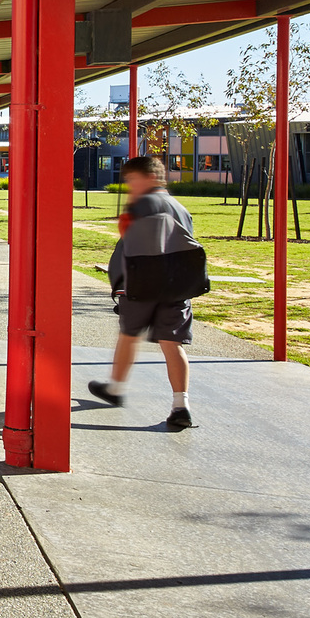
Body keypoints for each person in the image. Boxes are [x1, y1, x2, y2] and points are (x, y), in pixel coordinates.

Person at [89, 155, 196, 430]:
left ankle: (115, 388)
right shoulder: (181, 208)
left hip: (141, 286)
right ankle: (180, 404)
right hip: (176, 288)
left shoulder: (142, 204)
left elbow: (128, 235)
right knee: (173, 345)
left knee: (128, 335)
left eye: (132, 180)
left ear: (150, 177)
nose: (130, 186)